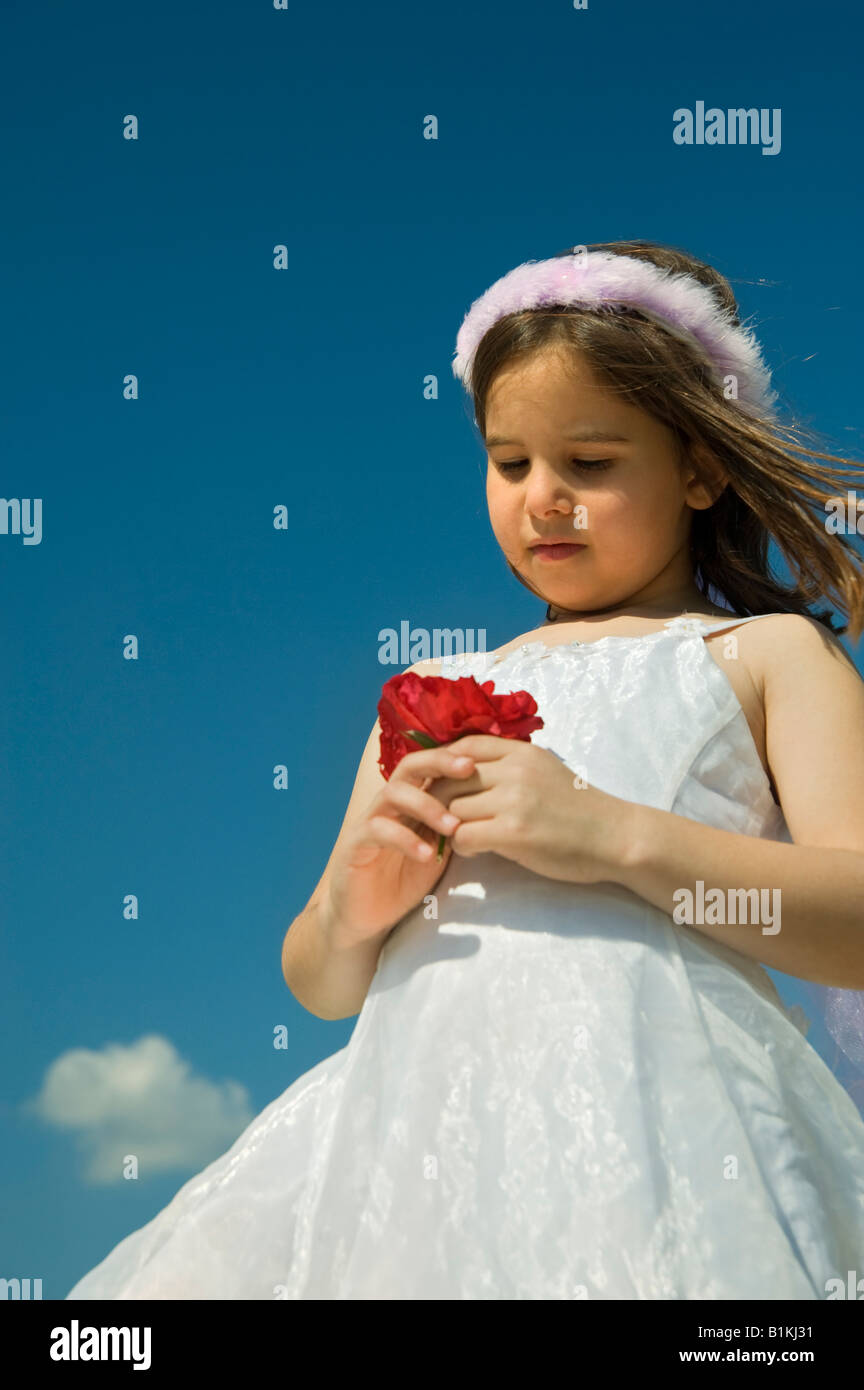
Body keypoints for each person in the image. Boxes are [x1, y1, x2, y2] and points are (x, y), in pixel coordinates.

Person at [66, 239, 864, 1300]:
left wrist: (611, 834)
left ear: (701, 467)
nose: (544, 497)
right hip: (416, 1137)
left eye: (591, 462)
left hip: (673, 1114)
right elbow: (320, 979)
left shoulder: (762, 656)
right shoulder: (428, 688)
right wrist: (356, 905)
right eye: (510, 460)